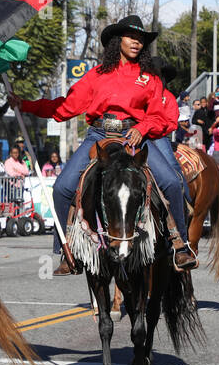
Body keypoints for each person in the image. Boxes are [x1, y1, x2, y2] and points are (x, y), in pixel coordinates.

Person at [11, 15, 198, 273]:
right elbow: (65, 107)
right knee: (62, 187)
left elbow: (159, 116)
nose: (136, 42)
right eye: (131, 37)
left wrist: (142, 128)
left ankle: (180, 244)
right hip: (98, 136)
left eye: (141, 39)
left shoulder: (150, 78)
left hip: (133, 137)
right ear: (117, 40)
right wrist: (26, 105)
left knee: (171, 181)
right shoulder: (97, 75)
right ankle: (66, 251)